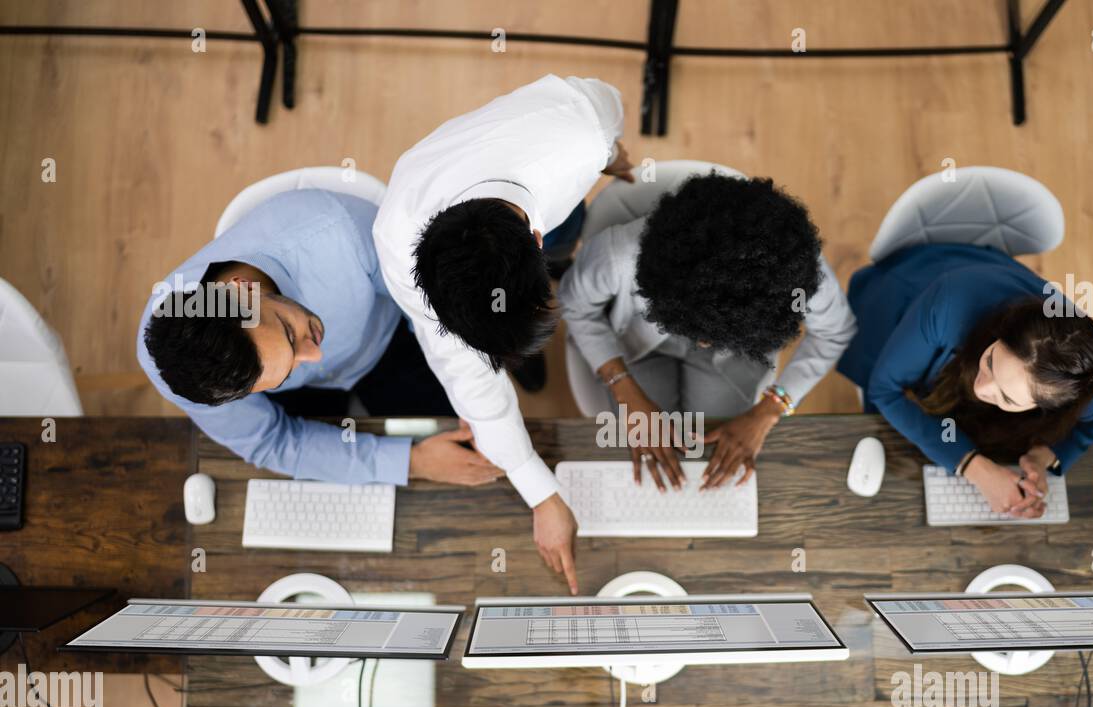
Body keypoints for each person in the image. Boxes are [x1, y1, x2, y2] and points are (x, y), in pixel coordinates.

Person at [374, 74, 635, 595]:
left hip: (559, 192)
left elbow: (609, 116)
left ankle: (525, 313)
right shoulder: (398, 246)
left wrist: (610, 155)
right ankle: (512, 343)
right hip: (512, 209)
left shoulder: (581, 127)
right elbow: (471, 384)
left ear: (532, 242)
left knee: (570, 237)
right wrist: (541, 493)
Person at [139, 188, 502, 487]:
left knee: (481, 443)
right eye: (282, 372)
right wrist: (414, 462)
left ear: (243, 291)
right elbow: (272, 441)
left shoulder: (339, 234)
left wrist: (466, 380)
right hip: (300, 400)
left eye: (288, 332)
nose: (314, 355)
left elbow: (430, 304)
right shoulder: (182, 369)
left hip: (388, 342)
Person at [559, 173, 856, 490]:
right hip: (639, 345)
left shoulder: (797, 273)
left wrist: (771, 409)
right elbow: (574, 305)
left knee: (707, 453)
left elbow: (835, 332)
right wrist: (621, 386)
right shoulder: (619, 254)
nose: (703, 344)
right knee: (647, 451)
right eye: (704, 337)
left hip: (734, 357)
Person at [837, 243, 1093, 516]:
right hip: (913, 298)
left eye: (1008, 397)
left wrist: (1047, 454)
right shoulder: (949, 306)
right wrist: (974, 468)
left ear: (1050, 405)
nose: (980, 387)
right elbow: (884, 389)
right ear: (1001, 332)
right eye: (991, 362)